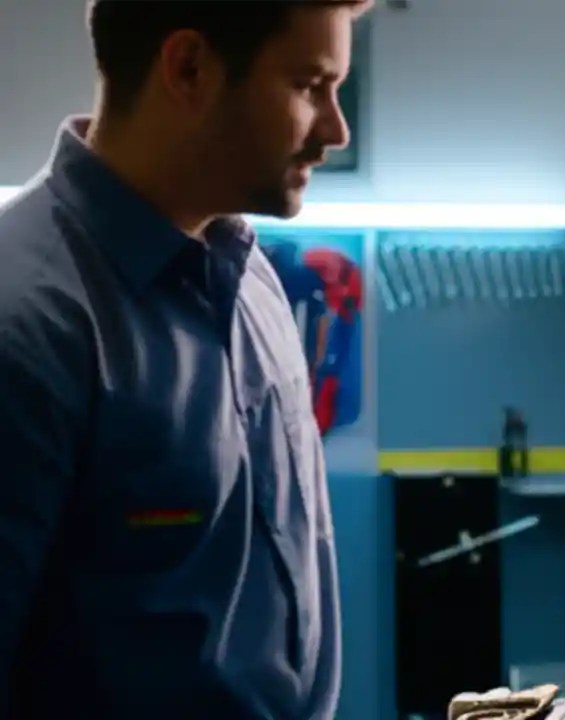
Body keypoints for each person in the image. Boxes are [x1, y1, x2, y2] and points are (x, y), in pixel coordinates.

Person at [0, 1, 367, 716]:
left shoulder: (250, 278)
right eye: (307, 86)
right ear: (190, 68)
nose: (335, 129)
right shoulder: (27, 325)